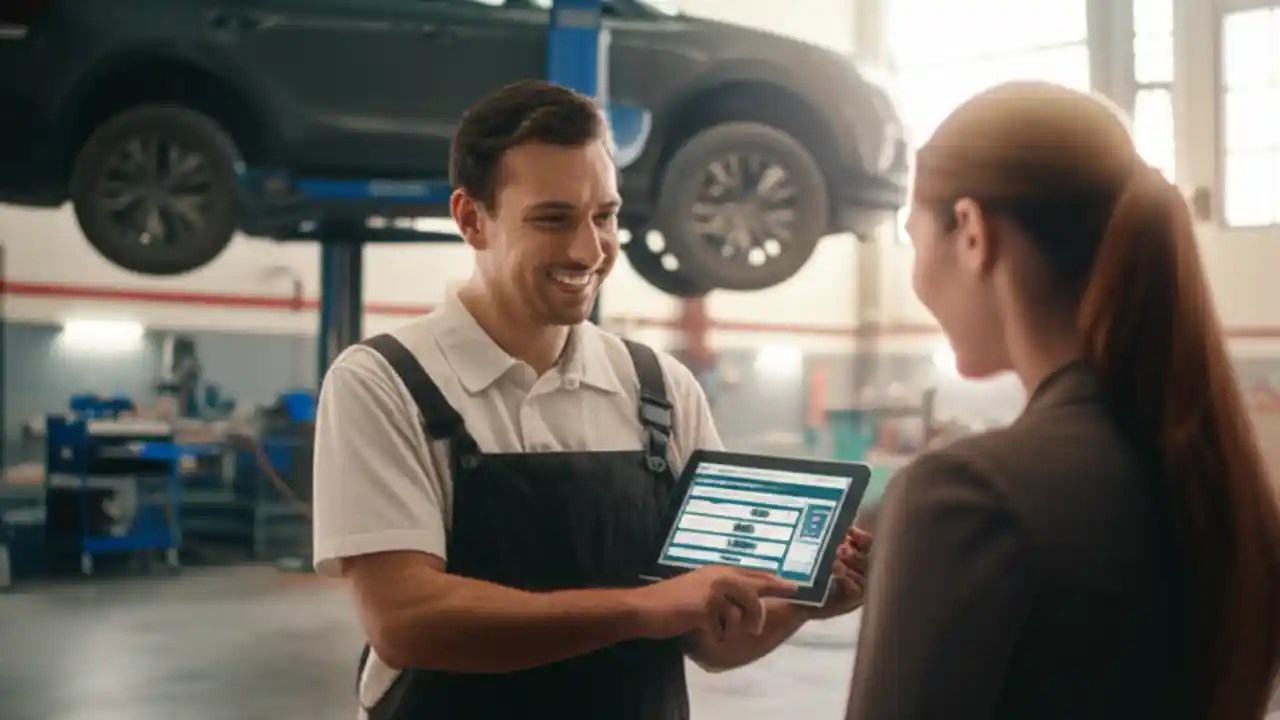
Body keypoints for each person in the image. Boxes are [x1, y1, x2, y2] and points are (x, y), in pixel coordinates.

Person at [311, 79, 873, 720]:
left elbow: (712, 636)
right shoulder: (385, 383)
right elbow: (408, 620)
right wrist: (645, 608)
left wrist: (801, 600)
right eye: (553, 219)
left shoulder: (660, 390)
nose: (589, 250)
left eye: (604, 216)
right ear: (471, 219)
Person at [844, 81, 1280, 719]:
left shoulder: (965, 495)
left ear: (971, 232)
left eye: (914, 240)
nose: (916, 276)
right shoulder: (1221, 489)